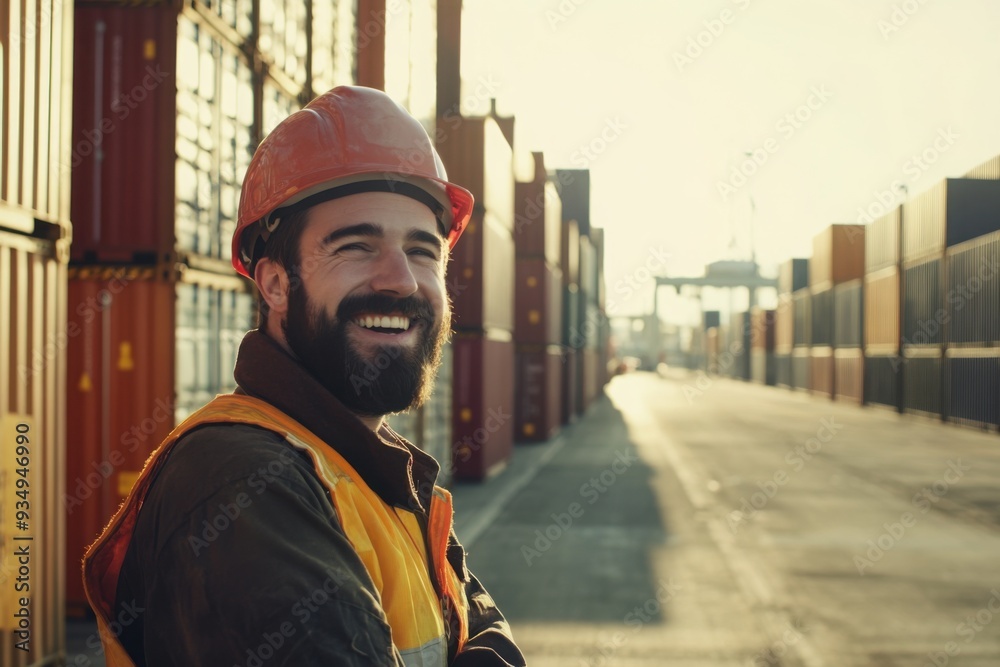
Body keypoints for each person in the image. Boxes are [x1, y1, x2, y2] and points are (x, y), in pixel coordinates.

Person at [83, 86, 526, 666]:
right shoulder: (245, 482)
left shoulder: (372, 467)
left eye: (423, 253)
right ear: (274, 283)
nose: (401, 280)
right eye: (355, 246)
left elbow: (472, 623)